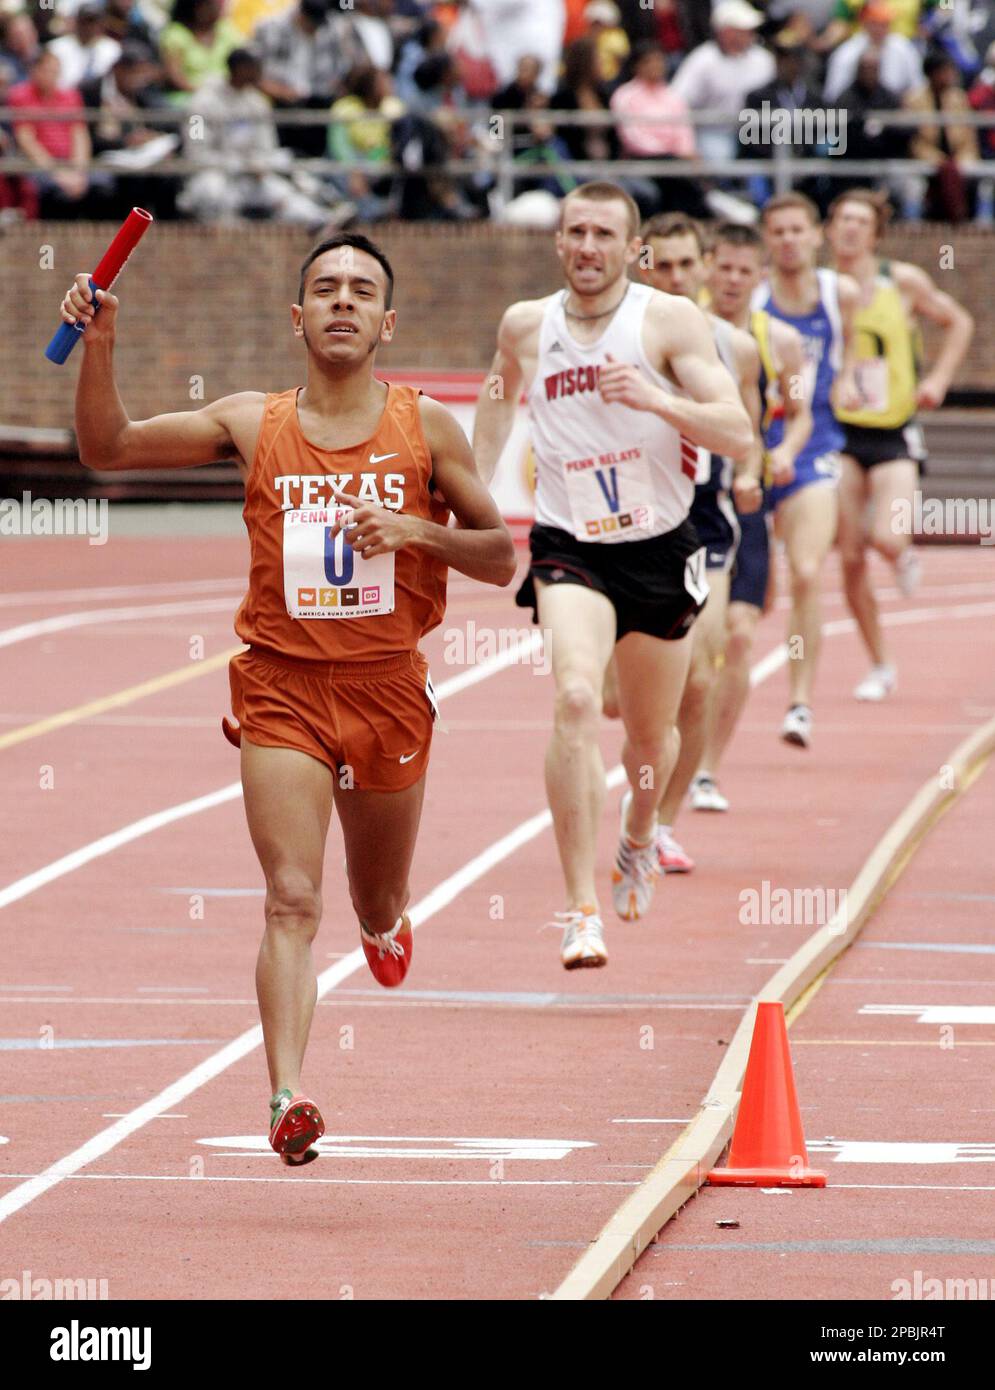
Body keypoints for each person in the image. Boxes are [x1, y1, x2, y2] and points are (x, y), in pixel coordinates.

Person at [60, 231, 516, 1164]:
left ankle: (385, 922)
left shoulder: (426, 426)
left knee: (371, 894)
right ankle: (286, 1095)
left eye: (360, 291)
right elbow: (107, 448)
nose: (341, 302)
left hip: (387, 689)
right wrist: (100, 343)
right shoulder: (248, 422)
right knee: (290, 898)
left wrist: (412, 530)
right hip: (282, 687)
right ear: (297, 316)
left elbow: (502, 556)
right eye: (324, 288)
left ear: (385, 322)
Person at [473, 181, 752, 966]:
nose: (586, 247)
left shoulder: (667, 321)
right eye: (574, 233)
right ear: (557, 243)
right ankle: (577, 908)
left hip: (659, 548)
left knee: (649, 736)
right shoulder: (526, 325)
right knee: (571, 696)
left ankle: (638, 831)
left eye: (602, 234)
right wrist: (473, 493)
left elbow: (735, 429)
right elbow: (497, 401)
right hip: (570, 544)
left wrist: (659, 401)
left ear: (632, 250)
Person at [610, 212, 763, 873]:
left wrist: (752, 472)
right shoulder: (615, 334)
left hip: (703, 519)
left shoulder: (735, 346)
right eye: (661, 264)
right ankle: (644, 763)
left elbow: (746, 424)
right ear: (643, 264)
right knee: (617, 699)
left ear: (705, 267)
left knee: (701, 678)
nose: (674, 276)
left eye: (685, 264)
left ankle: (661, 824)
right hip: (626, 516)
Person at [825, 188, 974, 699]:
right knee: (848, 557)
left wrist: (938, 381)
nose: (848, 229)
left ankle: (904, 555)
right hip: (839, 432)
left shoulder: (901, 282)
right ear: (829, 229)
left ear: (875, 233)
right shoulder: (821, 288)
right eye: (841, 219)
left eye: (859, 222)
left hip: (893, 431)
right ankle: (880, 664)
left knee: (887, 538)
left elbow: (959, 322)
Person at [698, 221, 812, 801]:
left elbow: (798, 414)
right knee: (691, 645)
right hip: (685, 503)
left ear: (760, 276)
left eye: (747, 270)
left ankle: (706, 769)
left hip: (747, 501)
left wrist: (783, 454)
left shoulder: (779, 341)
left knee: (740, 636)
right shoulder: (680, 324)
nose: (734, 280)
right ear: (706, 267)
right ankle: (675, 740)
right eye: (725, 268)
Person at [751, 190, 860, 748]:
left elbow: (857, 358)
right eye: (779, 231)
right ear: (766, 240)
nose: (790, 240)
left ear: (818, 235)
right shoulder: (754, 298)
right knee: (758, 598)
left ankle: (799, 703)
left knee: (810, 571)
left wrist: (851, 384)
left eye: (799, 230)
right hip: (750, 446)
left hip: (814, 443)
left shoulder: (841, 295)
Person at [177, 48, 352, 227]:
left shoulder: (257, 103)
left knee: (284, 184)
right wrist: (238, 164)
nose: (259, 73)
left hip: (251, 176)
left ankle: (323, 218)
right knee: (212, 190)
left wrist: (257, 164)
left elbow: (267, 146)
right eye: (253, 68)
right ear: (238, 69)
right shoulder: (199, 104)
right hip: (214, 175)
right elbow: (196, 153)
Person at [823, 0, 923, 104]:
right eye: (875, 23)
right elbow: (833, 93)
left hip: (894, 110)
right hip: (855, 109)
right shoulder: (846, 52)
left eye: (884, 23)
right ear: (864, 23)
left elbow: (918, 88)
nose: (879, 28)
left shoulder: (904, 48)